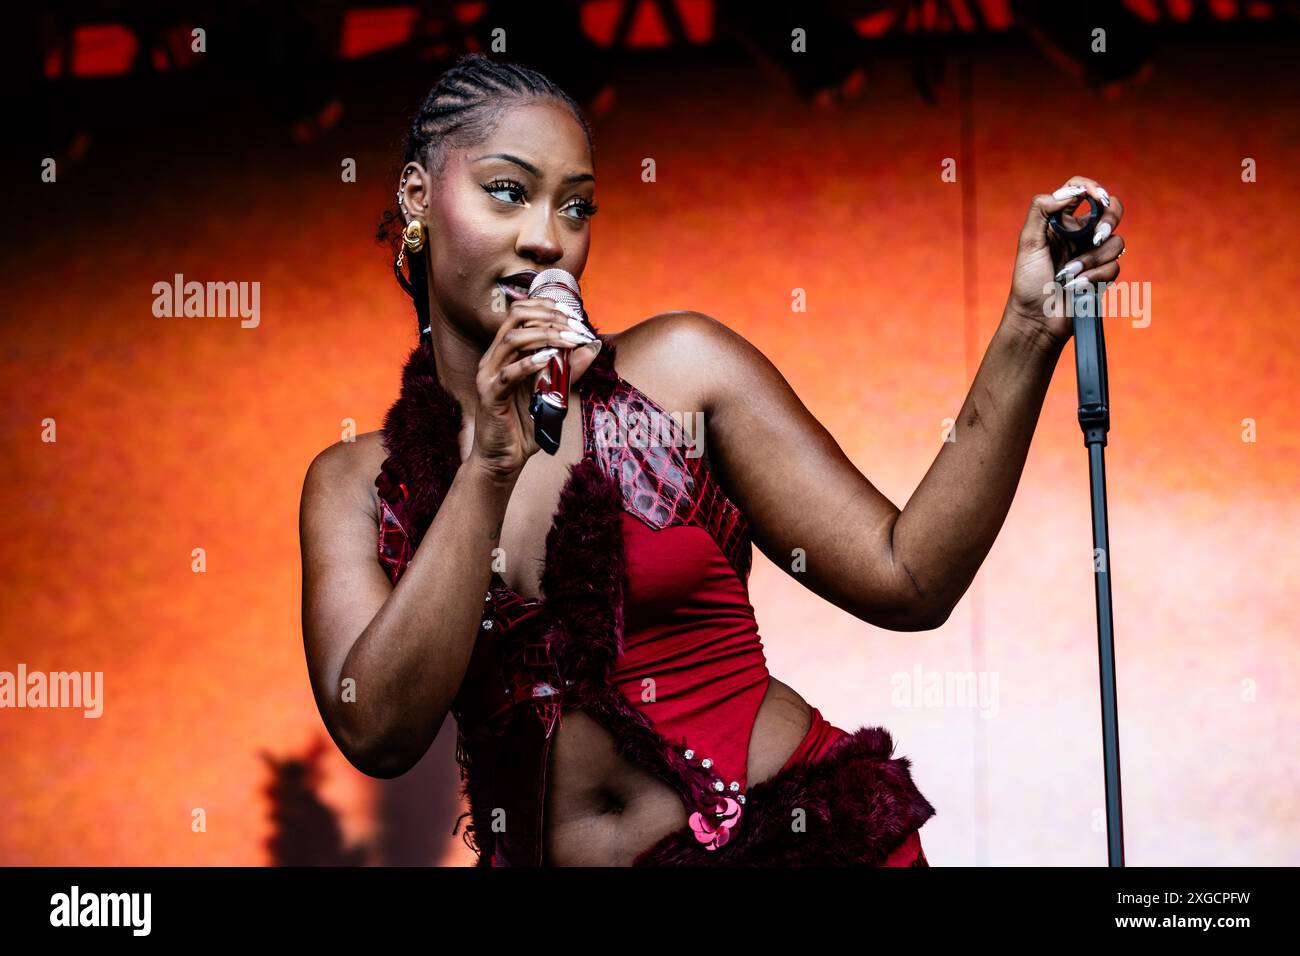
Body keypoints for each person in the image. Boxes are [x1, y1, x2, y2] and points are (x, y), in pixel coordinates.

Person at [299, 52, 1125, 866]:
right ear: (418, 195)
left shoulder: (678, 373)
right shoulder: (357, 486)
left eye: (577, 207)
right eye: (507, 192)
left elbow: (909, 578)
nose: (548, 239)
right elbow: (376, 731)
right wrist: (488, 465)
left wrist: (1025, 330)